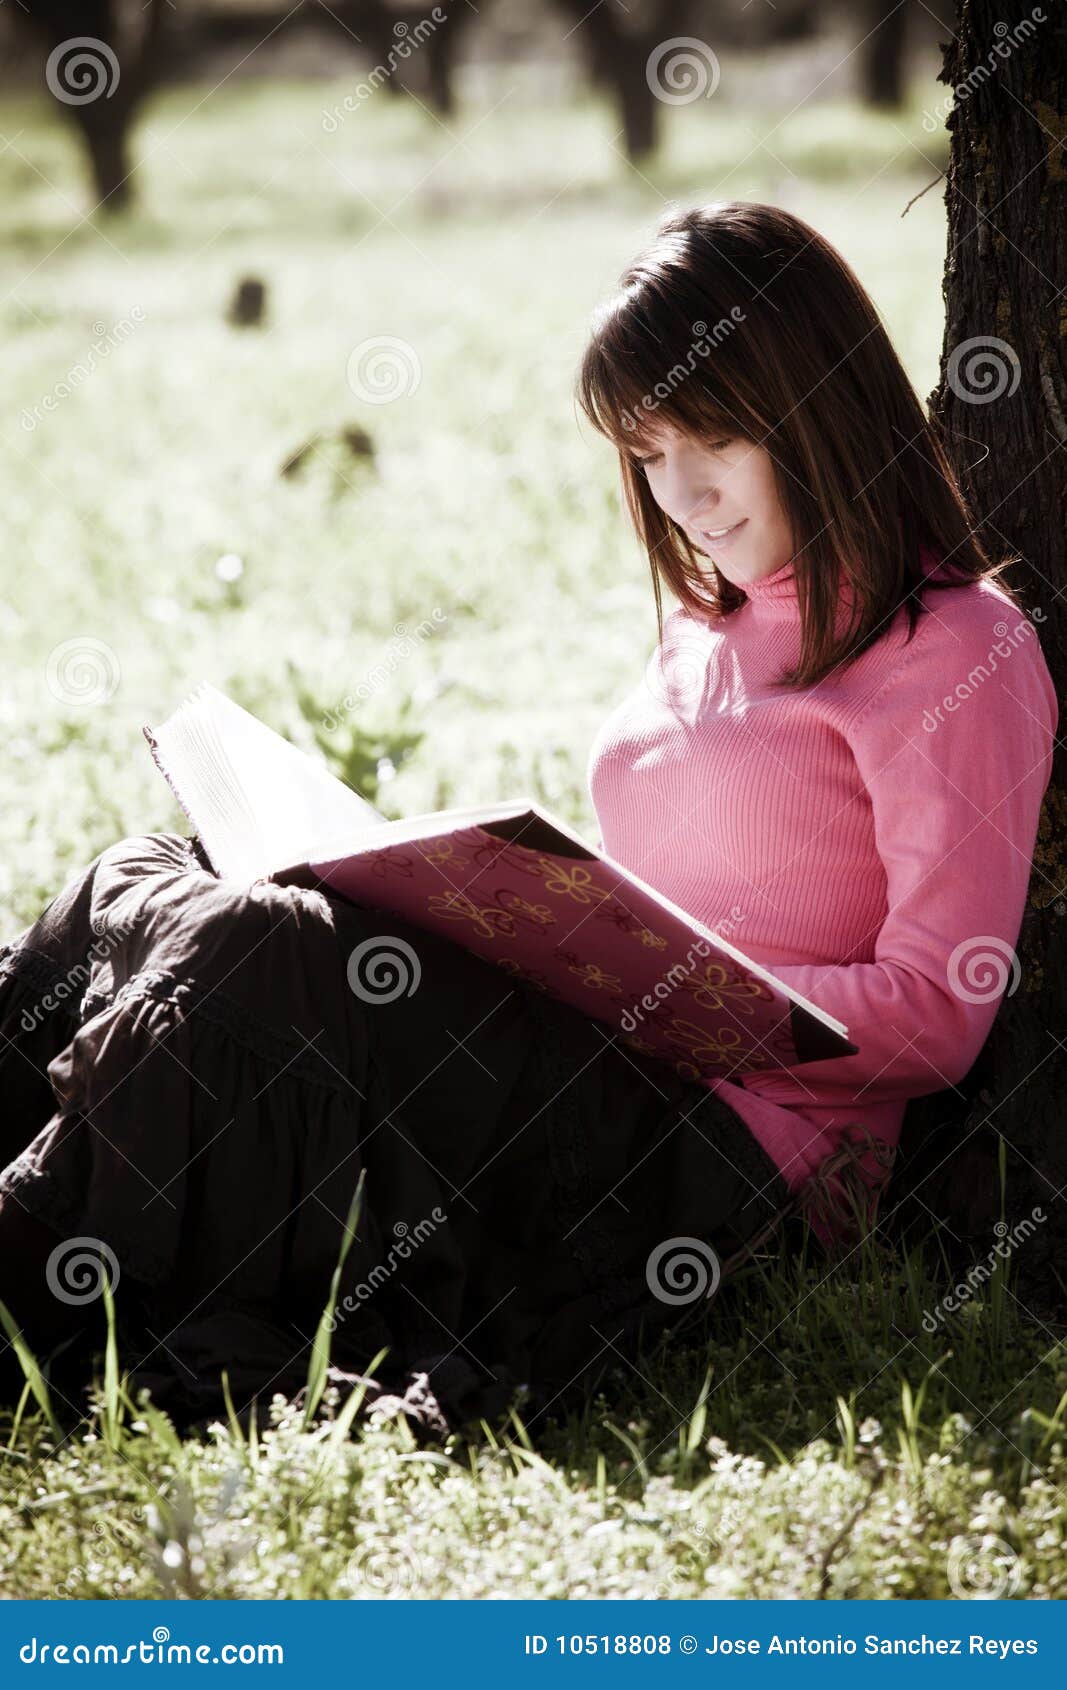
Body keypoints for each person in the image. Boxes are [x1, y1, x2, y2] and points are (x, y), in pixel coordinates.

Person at [0, 201, 1055, 1434]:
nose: (683, 495)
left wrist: (674, 995)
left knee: (261, 947)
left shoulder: (956, 651)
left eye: (711, 440)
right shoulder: (709, 621)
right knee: (150, 873)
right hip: (586, 1054)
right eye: (648, 453)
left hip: (717, 1159)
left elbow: (940, 1016)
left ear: (814, 404)